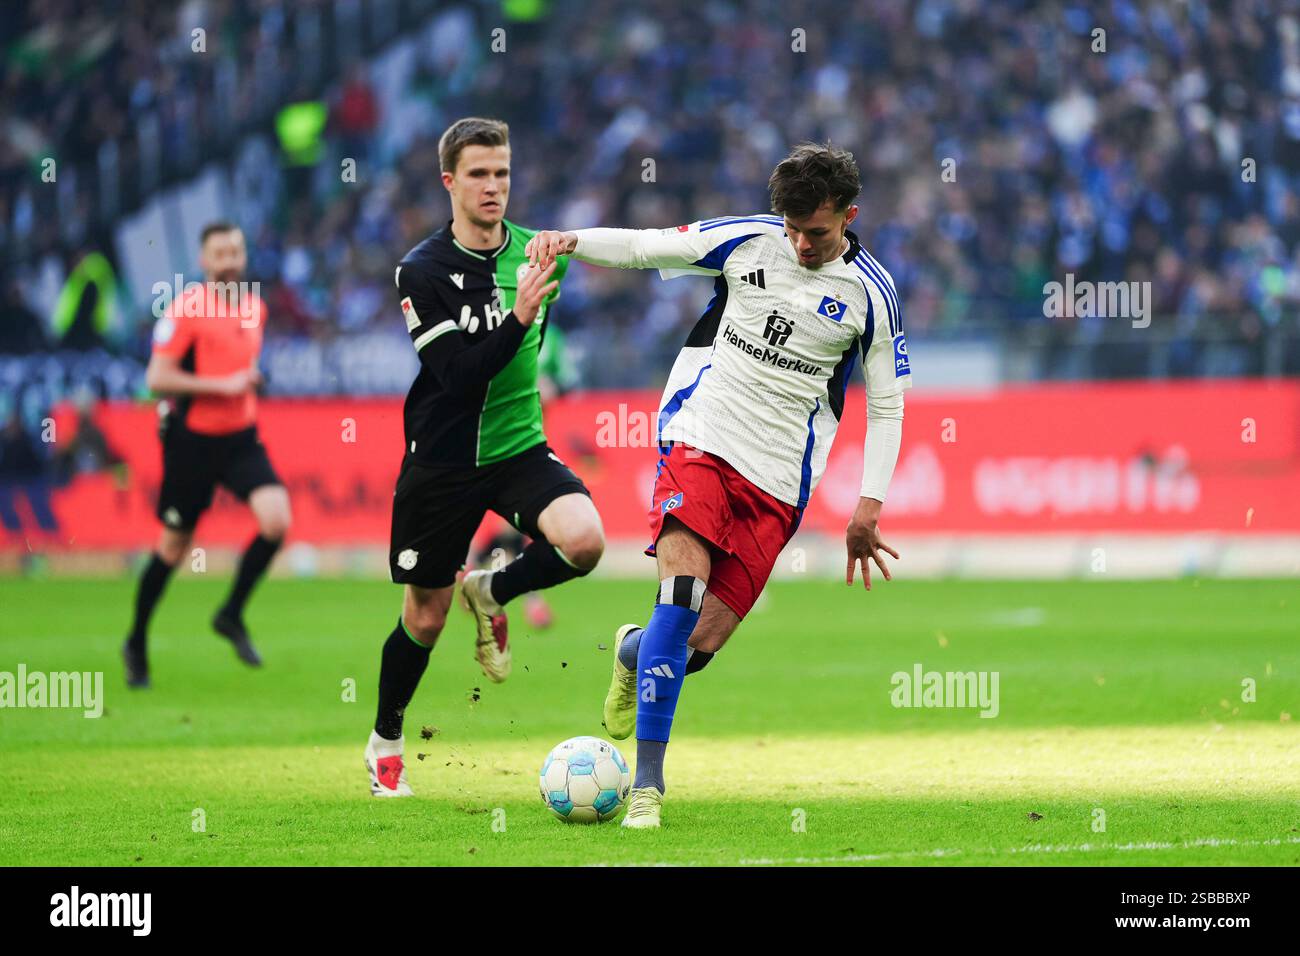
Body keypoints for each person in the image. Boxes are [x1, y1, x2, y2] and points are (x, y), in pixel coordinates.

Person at [526, 142, 910, 827]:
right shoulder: (747, 241)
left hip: (778, 480)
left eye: (816, 232)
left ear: (849, 216)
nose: (799, 243)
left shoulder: (871, 296)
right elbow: (647, 248)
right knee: (678, 598)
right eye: (790, 227)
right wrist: (570, 241)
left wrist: (868, 505)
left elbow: (886, 405)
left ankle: (630, 652)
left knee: (697, 644)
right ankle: (647, 787)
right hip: (701, 434)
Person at [365, 117, 605, 797]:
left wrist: (529, 317)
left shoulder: (535, 250)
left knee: (585, 541)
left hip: (518, 447)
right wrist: (520, 315)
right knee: (425, 616)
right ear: (449, 181)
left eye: (502, 172)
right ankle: (385, 738)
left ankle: (492, 589)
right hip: (441, 461)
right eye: (478, 174)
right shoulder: (422, 270)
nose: (493, 186)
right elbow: (458, 376)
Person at [124, 222, 291, 689]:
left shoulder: (255, 308)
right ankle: (136, 641)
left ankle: (231, 613)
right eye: (218, 253)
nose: (228, 261)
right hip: (192, 443)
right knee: (173, 546)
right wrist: (224, 386)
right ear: (203, 261)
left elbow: (240, 367)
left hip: (240, 437)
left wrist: (248, 383)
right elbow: (156, 377)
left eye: (235, 252)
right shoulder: (185, 310)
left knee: (276, 521)